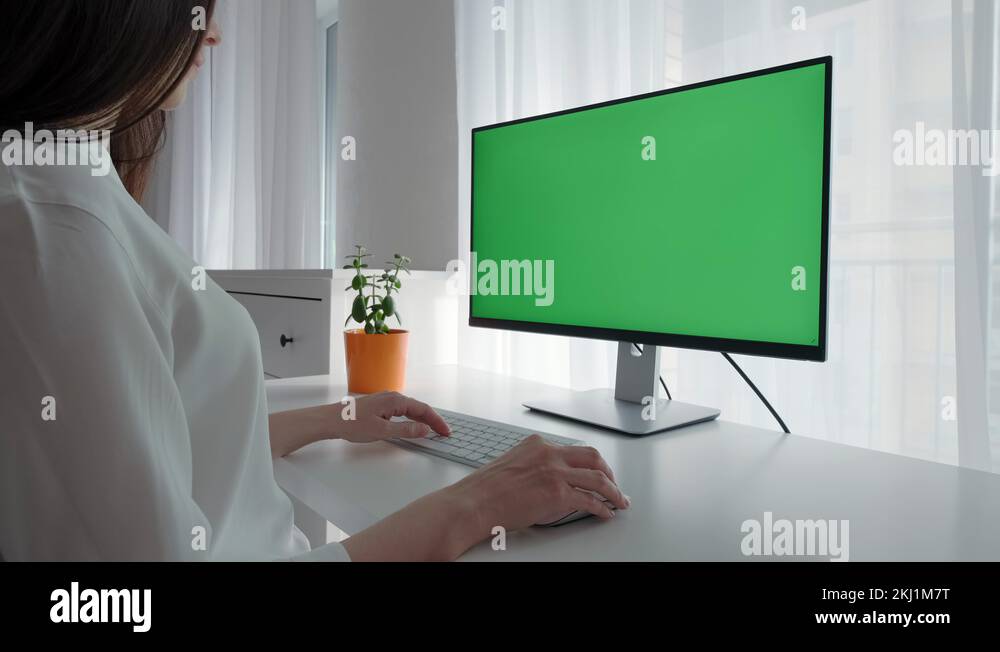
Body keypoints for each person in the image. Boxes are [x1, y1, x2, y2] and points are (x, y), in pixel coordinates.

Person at [0, 0, 627, 562]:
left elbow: (153, 451)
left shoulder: (65, 189)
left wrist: (333, 418)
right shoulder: (52, 230)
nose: (209, 34)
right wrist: (475, 506)